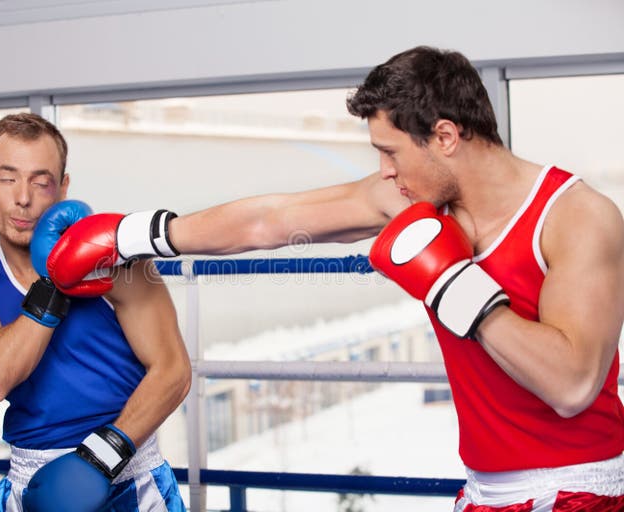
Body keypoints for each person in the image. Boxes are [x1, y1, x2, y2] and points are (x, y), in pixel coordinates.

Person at [45, 47, 624, 511]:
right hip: (484, 487)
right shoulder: (412, 200)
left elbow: (572, 385)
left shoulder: (577, 217)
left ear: (445, 137)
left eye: (391, 151)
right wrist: (134, 235)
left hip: (580, 487)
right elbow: (271, 221)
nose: (384, 171)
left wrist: (453, 283)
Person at [0, 113, 191, 511]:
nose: (23, 198)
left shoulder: (120, 262)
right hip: (30, 485)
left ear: (63, 188)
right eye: (8, 179)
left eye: (41, 182)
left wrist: (100, 458)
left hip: (129, 473)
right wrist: (55, 281)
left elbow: (173, 370)